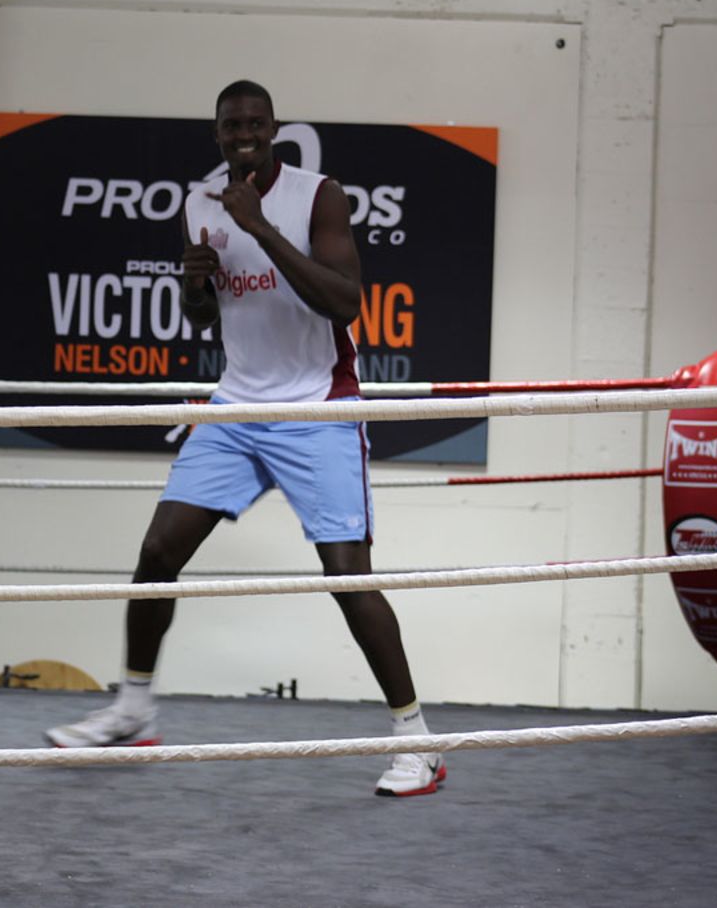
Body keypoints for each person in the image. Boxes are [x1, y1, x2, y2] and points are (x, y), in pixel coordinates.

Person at [46, 79, 444, 798]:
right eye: (232, 126)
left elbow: (346, 302)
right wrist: (194, 285)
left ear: (275, 128)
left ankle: (418, 741)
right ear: (217, 134)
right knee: (158, 551)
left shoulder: (317, 193)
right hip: (235, 406)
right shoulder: (200, 203)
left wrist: (259, 228)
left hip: (317, 406)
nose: (244, 135)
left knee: (348, 576)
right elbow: (209, 315)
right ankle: (134, 708)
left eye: (255, 124)